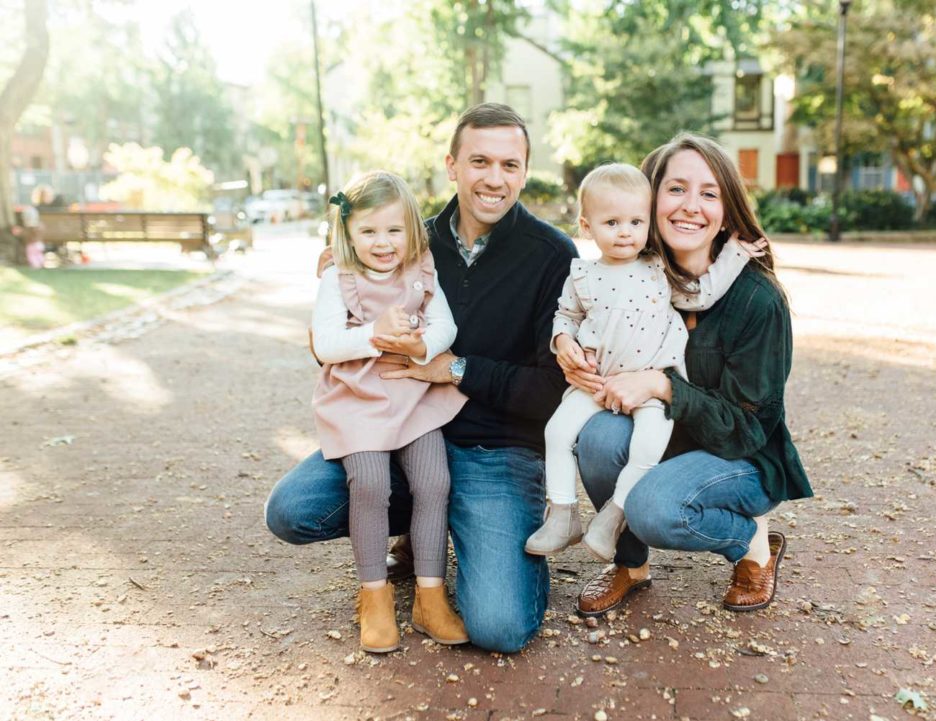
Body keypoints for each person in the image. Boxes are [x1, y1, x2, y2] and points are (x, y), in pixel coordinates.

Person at [265, 103, 577, 653]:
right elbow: (335, 339)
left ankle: (472, 536)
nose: (495, 178)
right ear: (452, 165)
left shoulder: (552, 255)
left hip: (495, 450)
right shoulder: (406, 240)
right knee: (293, 511)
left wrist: (456, 368)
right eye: (479, 161)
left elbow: (553, 390)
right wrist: (345, 273)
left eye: (509, 164)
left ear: (525, 172)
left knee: (500, 627)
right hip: (396, 426)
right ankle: (414, 541)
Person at [564, 133, 813, 618]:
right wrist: (566, 346)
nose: (690, 206)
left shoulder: (757, 300)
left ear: (726, 211)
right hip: (665, 437)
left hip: (742, 455)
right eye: (676, 189)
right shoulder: (636, 277)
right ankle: (630, 564)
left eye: (709, 193)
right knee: (596, 437)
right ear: (650, 199)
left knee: (654, 508)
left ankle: (752, 543)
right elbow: (578, 315)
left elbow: (749, 428)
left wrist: (662, 385)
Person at [525, 163, 765, 561]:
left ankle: (613, 516)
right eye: (612, 223)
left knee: (647, 446)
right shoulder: (582, 274)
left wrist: (735, 255)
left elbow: (700, 294)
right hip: (598, 381)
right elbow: (566, 315)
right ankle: (563, 513)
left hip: (653, 385)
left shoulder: (656, 268)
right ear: (586, 226)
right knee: (557, 432)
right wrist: (563, 340)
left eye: (636, 222)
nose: (625, 232)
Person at [310, 170, 468, 653]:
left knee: (434, 482)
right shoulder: (338, 277)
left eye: (394, 230)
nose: (383, 243)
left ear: (412, 230)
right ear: (348, 232)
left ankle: (430, 596)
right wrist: (375, 334)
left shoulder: (420, 270)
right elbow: (327, 343)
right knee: (371, 484)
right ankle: (374, 595)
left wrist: (422, 346)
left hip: (412, 392)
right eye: (369, 231)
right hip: (358, 397)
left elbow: (445, 325)